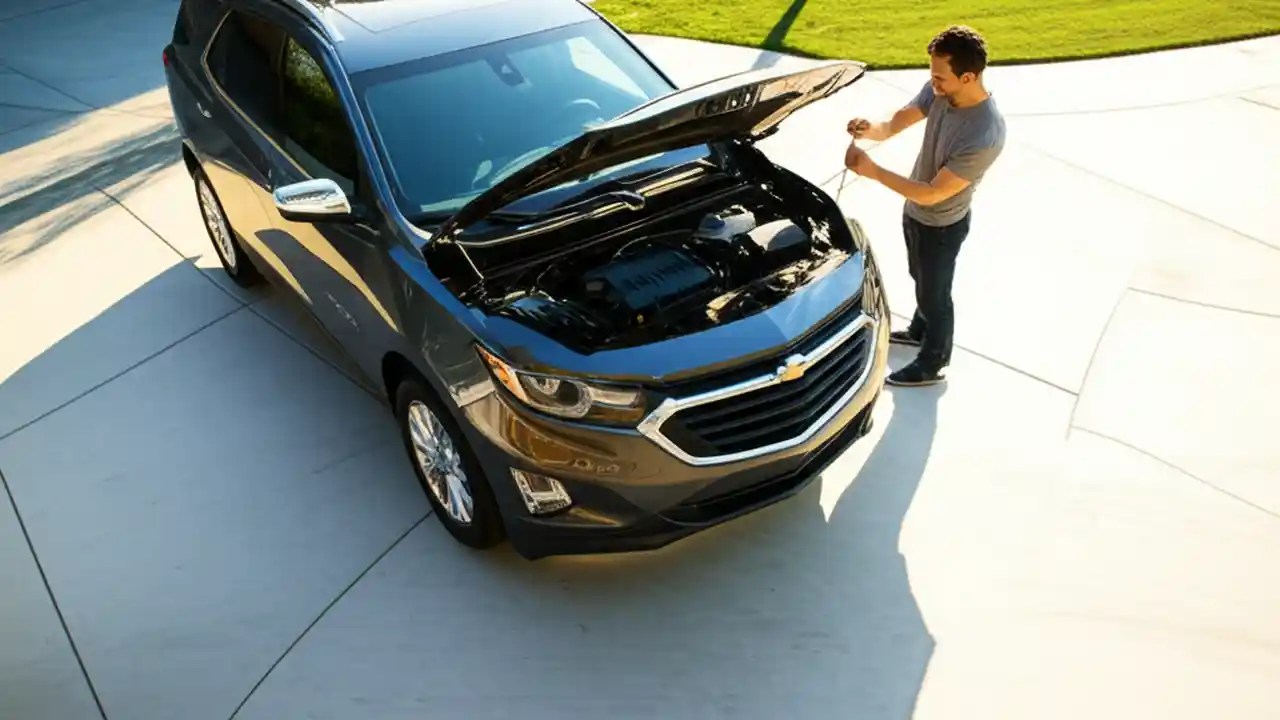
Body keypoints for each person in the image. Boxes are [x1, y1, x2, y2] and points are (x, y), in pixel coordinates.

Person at [844, 25, 1006, 387]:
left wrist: (872, 171)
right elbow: (890, 126)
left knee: (936, 295)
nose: (933, 83)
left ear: (968, 77)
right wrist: (868, 129)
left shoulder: (985, 134)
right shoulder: (939, 89)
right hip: (915, 212)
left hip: (942, 225)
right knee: (920, 279)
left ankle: (934, 361)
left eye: (940, 77)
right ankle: (919, 330)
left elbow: (933, 194)